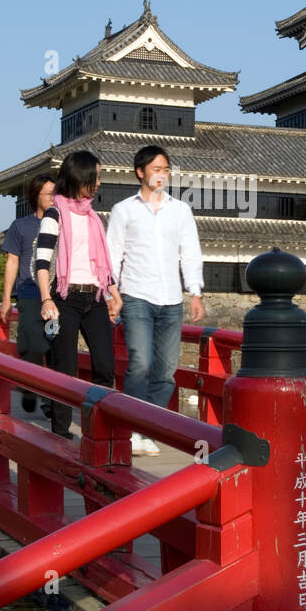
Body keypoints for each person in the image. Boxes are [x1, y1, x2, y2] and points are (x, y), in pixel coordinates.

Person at [106, 145, 204, 456]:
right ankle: (131, 425)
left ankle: (144, 429)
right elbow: (113, 254)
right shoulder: (124, 210)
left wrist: (196, 292)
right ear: (140, 172)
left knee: (166, 370)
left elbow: (190, 253)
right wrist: (113, 292)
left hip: (172, 299)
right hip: (136, 295)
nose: (162, 174)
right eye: (156, 169)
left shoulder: (181, 210)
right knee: (140, 362)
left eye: (165, 169)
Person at [34, 150, 122, 439]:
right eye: (94, 177)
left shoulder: (93, 216)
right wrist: (46, 299)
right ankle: (61, 433)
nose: (98, 183)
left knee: (105, 366)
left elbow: (101, 262)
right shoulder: (54, 213)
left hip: (94, 297)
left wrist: (112, 290)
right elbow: (42, 261)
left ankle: (100, 431)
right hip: (64, 298)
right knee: (65, 368)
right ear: (79, 177)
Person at [0, 174, 55, 414]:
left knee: (54, 344)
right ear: (35, 196)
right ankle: (31, 388)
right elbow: (12, 261)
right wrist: (5, 299)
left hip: (56, 295)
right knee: (33, 344)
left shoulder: (63, 224)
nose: (54, 198)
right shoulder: (21, 226)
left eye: (56, 193)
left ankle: (51, 400)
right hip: (29, 293)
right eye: (49, 193)